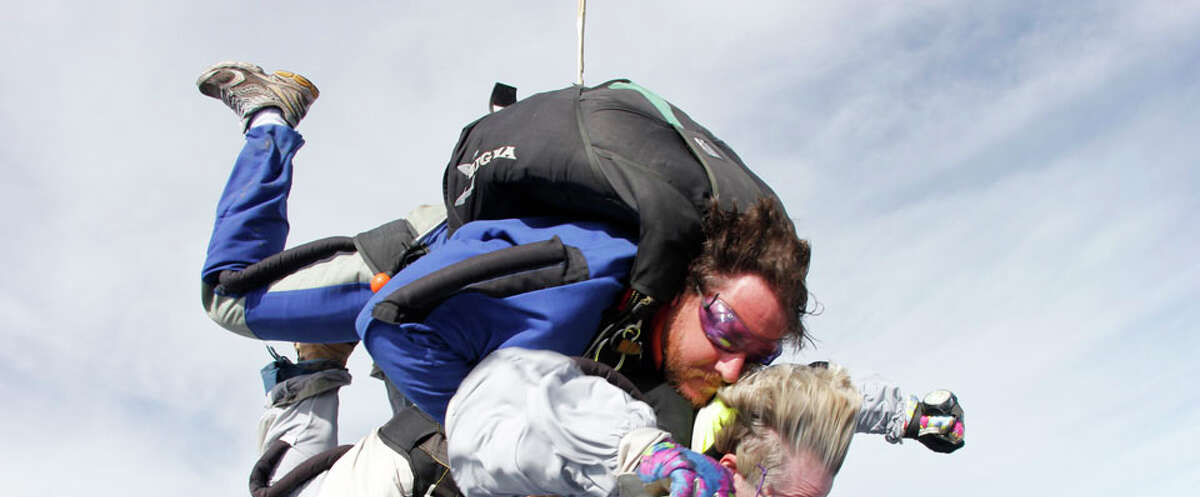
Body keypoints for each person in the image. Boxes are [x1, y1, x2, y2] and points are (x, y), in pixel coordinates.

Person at [195, 62, 810, 441]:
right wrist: (502, 440)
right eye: (727, 330)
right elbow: (394, 325)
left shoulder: (680, 340)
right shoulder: (575, 286)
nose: (733, 370)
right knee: (228, 299)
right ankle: (271, 115)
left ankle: (331, 345)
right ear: (691, 286)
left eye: (758, 356)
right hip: (416, 266)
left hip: (488, 280)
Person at [251, 346, 874, 497]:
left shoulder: (735, 425)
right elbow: (564, 418)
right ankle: (314, 367)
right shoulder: (651, 478)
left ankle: (400, 340)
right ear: (731, 469)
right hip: (422, 486)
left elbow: (831, 389)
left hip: (460, 435)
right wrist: (637, 458)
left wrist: (902, 419)